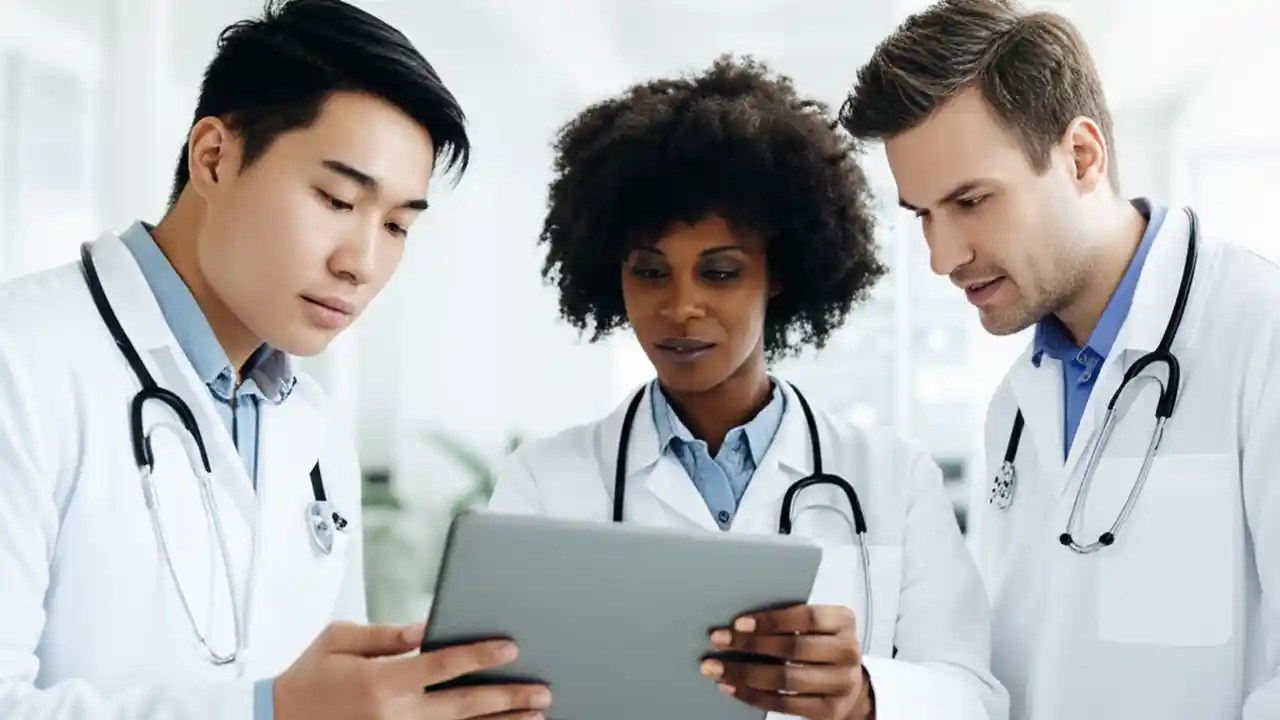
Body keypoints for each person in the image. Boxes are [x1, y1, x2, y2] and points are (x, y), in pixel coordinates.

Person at [0, 1, 553, 718]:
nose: (362, 263)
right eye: (335, 199)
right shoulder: (22, 357)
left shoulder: (313, 430)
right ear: (214, 158)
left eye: (395, 226)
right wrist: (271, 713)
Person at [486, 55, 1007, 720]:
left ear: (780, 273)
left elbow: (975, 697)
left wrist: (865, 696)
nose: (681, 307)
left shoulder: (893, 481)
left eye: (721, 273)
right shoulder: (543, 484)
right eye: (649, 273)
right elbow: (490, 688)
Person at [839, 1, 1280, 718]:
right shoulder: (1015, 406)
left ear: (1081, 156)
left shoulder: (1260, 336)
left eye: (972, 201)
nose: (943, 257)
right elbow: (1016, 677)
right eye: (923, 214)